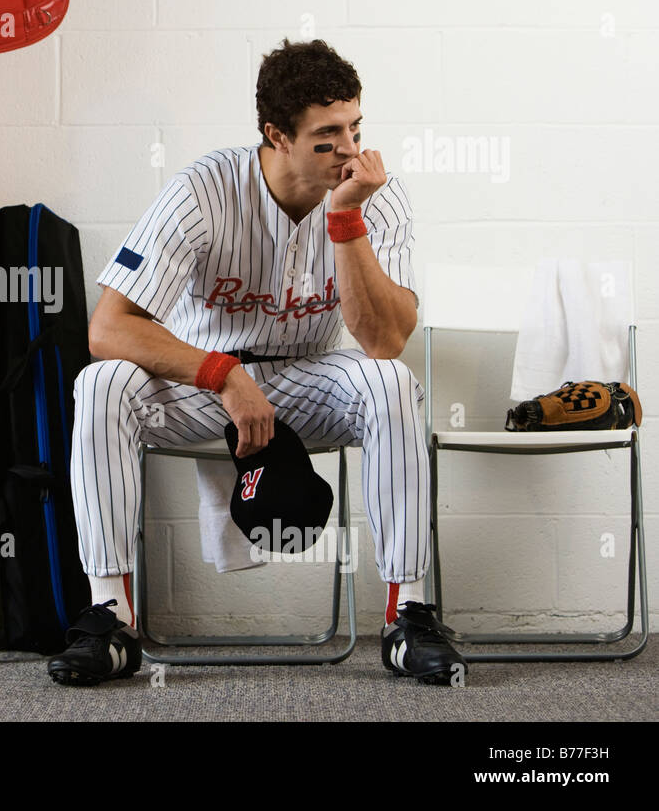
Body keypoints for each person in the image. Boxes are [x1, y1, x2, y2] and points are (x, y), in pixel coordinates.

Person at [48, 39, 465, 687]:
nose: (350, 150)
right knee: (101, 382)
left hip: (310, 376)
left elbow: (384, 340)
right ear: (276, 134)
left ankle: (407, 617)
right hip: (206, 384)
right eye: (328, 135)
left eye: (355, 127)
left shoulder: (372, 192)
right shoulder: (204, 189)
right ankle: (110, 620)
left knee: (392, 383)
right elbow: (108, 328)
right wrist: (221, 374)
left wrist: (347, 218)